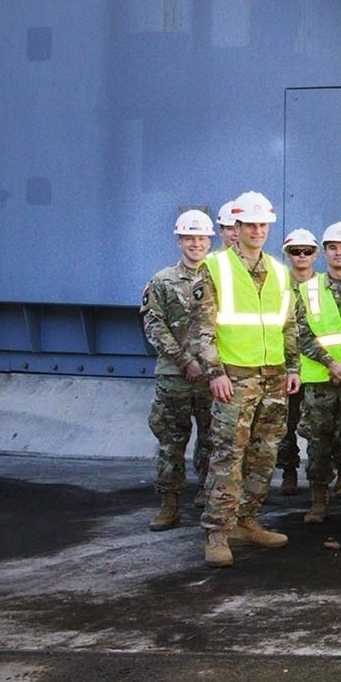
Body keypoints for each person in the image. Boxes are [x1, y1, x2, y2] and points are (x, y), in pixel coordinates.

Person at [196, 192, 298, 567]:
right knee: (228, 455)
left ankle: (246, 520)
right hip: (234, 378)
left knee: (264, 453)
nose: (257, 231)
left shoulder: (280, 270)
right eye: (249, 225)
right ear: (235, 229)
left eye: (262, 225)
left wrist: (292, 368)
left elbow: (289, 324)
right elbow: (202, 328)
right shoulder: (214, 267)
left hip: (273, 377)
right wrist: (214, 373)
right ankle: (217, 533)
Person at [140, 209, 215, 531]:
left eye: (201, 238)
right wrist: (185, 361)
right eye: (189, 238)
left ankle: (209, 497)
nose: (195, 244)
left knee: (214, 441)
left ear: (209, 241)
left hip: (214, 375)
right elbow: (154, 325)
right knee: (172, 442)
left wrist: (209, 365)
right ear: (179, 240)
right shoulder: (162, 281)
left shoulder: (222, 278)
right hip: (176, 376)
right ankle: (169, 505)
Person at [292, 222, 341, 525]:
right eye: (333, 247)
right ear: (324, 253)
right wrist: (331, 363)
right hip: (320, 381)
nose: (338, 253)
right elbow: (299, 331)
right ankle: (318, 501)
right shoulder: (307, 289)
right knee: (318, 443)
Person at [274, 228, 320, 497]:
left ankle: (323, 480)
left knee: (321, 428)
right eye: (295, 251)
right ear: (287, 254)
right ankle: (288, 472)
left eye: (307, 251)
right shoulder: (276, 284)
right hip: (285, 365)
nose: (301, 256)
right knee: (285, 425)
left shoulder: (325, 285)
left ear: (315, 254)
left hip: (317, 367)